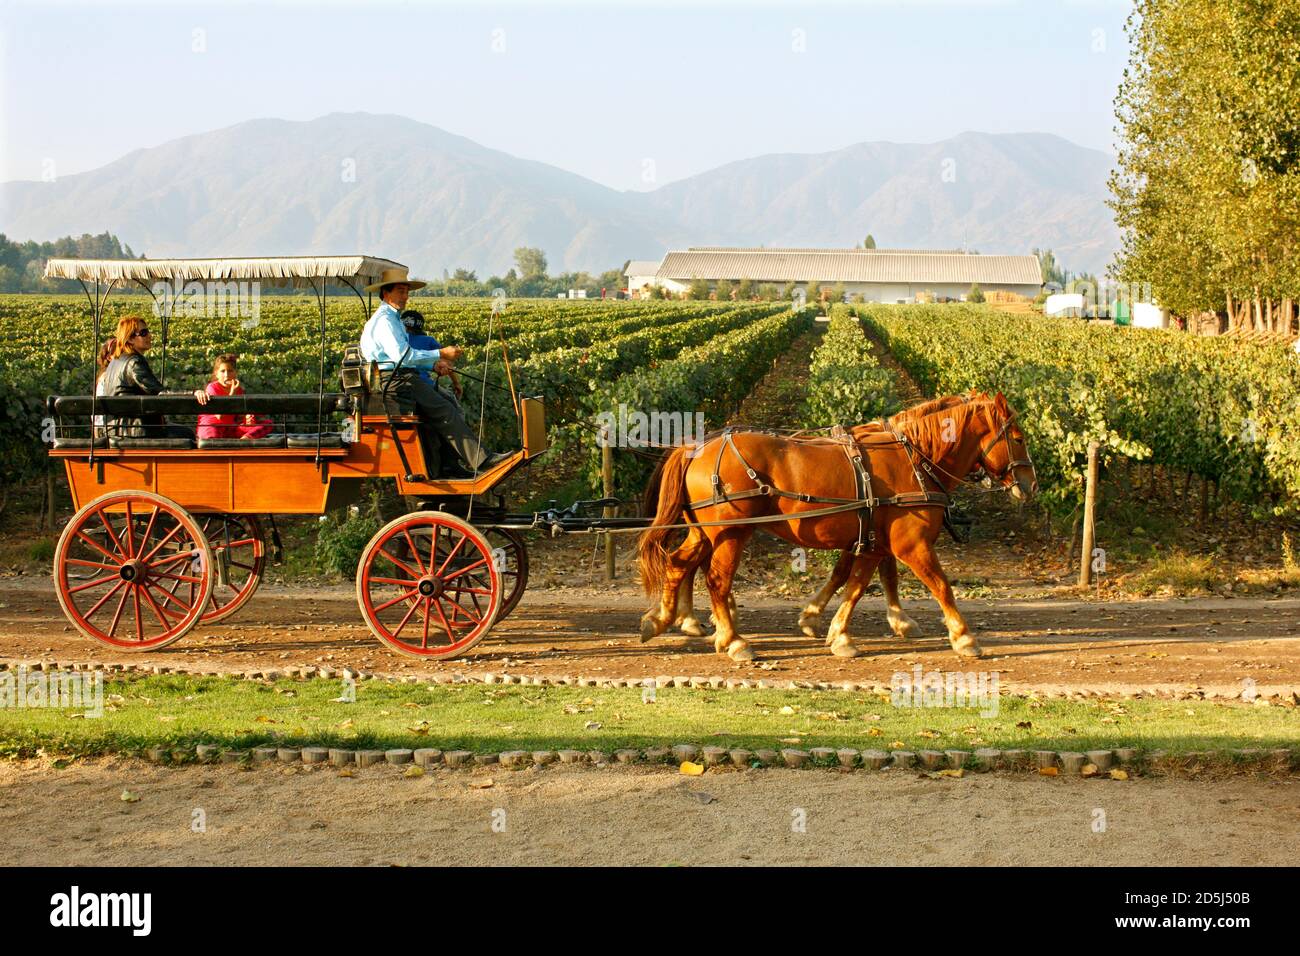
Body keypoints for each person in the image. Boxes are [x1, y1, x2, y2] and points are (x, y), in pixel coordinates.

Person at [359, 268, 509, 477]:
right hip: (394, 381)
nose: (405, 297)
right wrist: (440, 353)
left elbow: (402, 358)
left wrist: (433, 366)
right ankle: (482, 461)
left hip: (400, 376)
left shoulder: (393, 318)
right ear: (386, 293)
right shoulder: (385, 321)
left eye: (407, 292)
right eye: (401, 291)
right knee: (444, 410)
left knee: (447, 408)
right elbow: (402, 356)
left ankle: (449, 466)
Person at [98, 315, 208, 440]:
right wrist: (193, 393)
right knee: (186, 434)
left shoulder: (116, 360)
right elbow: (160, 393)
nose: (149, 336)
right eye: (143, 333)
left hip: (117, 429)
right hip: (134, 430)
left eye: (148, 331)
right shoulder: (134, 362)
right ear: (130, 339)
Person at [196, 354, 273, 441]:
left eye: (230, 371)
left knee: (267, 424)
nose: (226, 375)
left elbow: (238, 417)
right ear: (216, 374)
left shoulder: (239, 390)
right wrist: (232, 394)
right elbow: (220, 417)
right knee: (212, 441)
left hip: (230, 428)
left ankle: (244, 441)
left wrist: (247, 419)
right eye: (222, 371)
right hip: (212, 426)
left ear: (235, 373)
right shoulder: (212, 388)